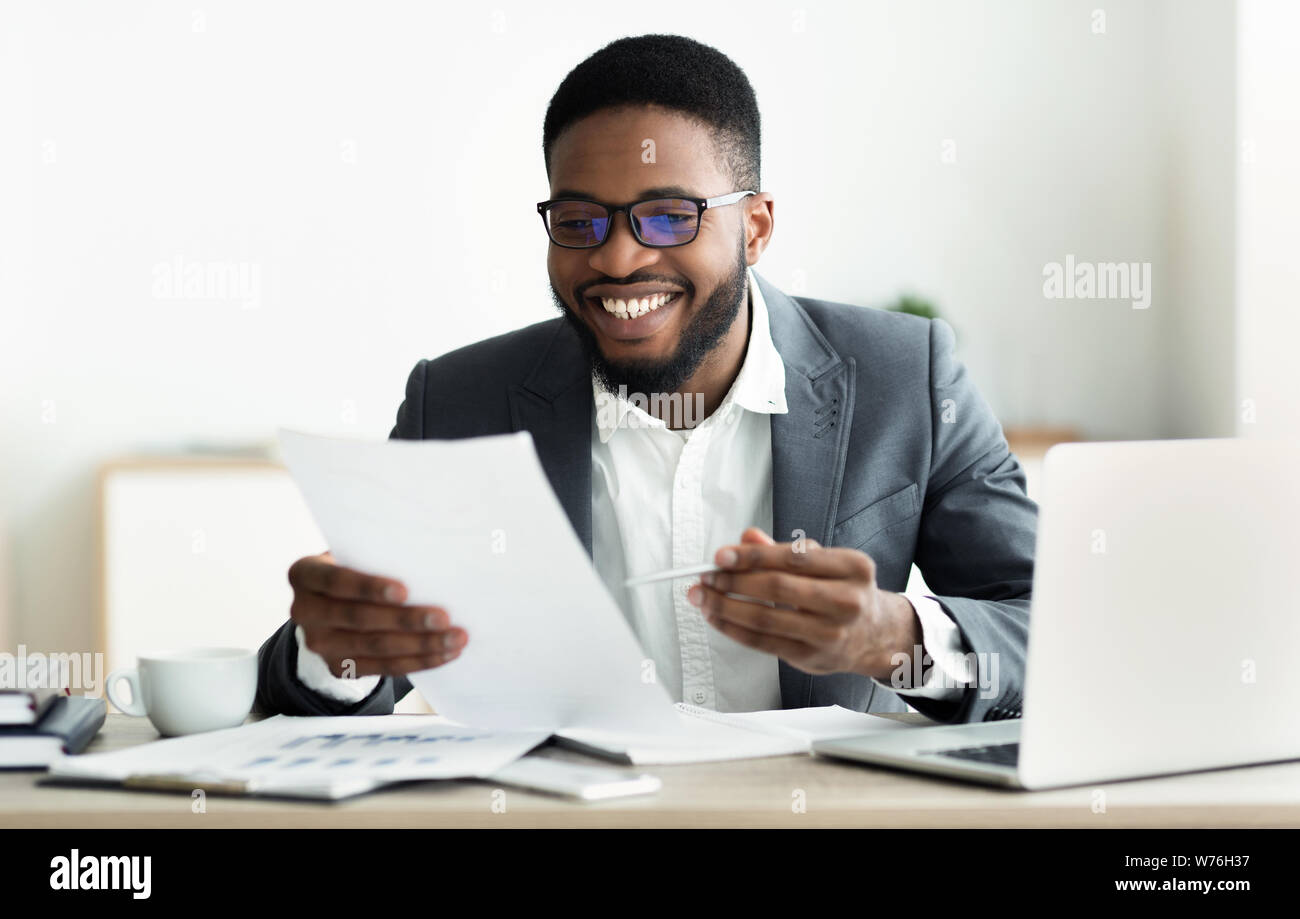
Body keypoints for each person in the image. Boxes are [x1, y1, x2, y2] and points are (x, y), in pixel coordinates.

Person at [255, 33, 1036, 725]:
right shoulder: (458, 402)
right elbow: (341, 683)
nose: (619, 258)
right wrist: (335, 650)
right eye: (579, 221)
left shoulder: (906, 378)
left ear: (755, 227)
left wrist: (892, 638)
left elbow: (1052, 631)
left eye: (668, 216)